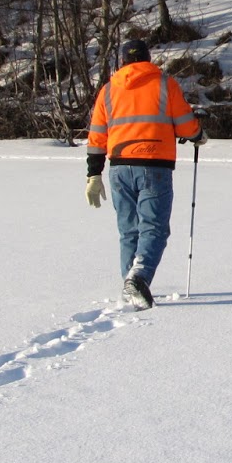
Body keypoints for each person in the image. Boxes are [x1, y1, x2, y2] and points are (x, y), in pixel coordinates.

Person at [85, 38, 203, 309]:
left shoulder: (108, 90)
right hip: (154, 165)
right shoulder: (164, 84)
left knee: (129, 230)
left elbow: (96, 137)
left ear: (123, 61)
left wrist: (93, 174)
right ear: (148, 59)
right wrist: (198, 135)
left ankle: (131, 284)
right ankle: (138, 278)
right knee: (154, 227)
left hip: (118, 168)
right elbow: (186, 125)